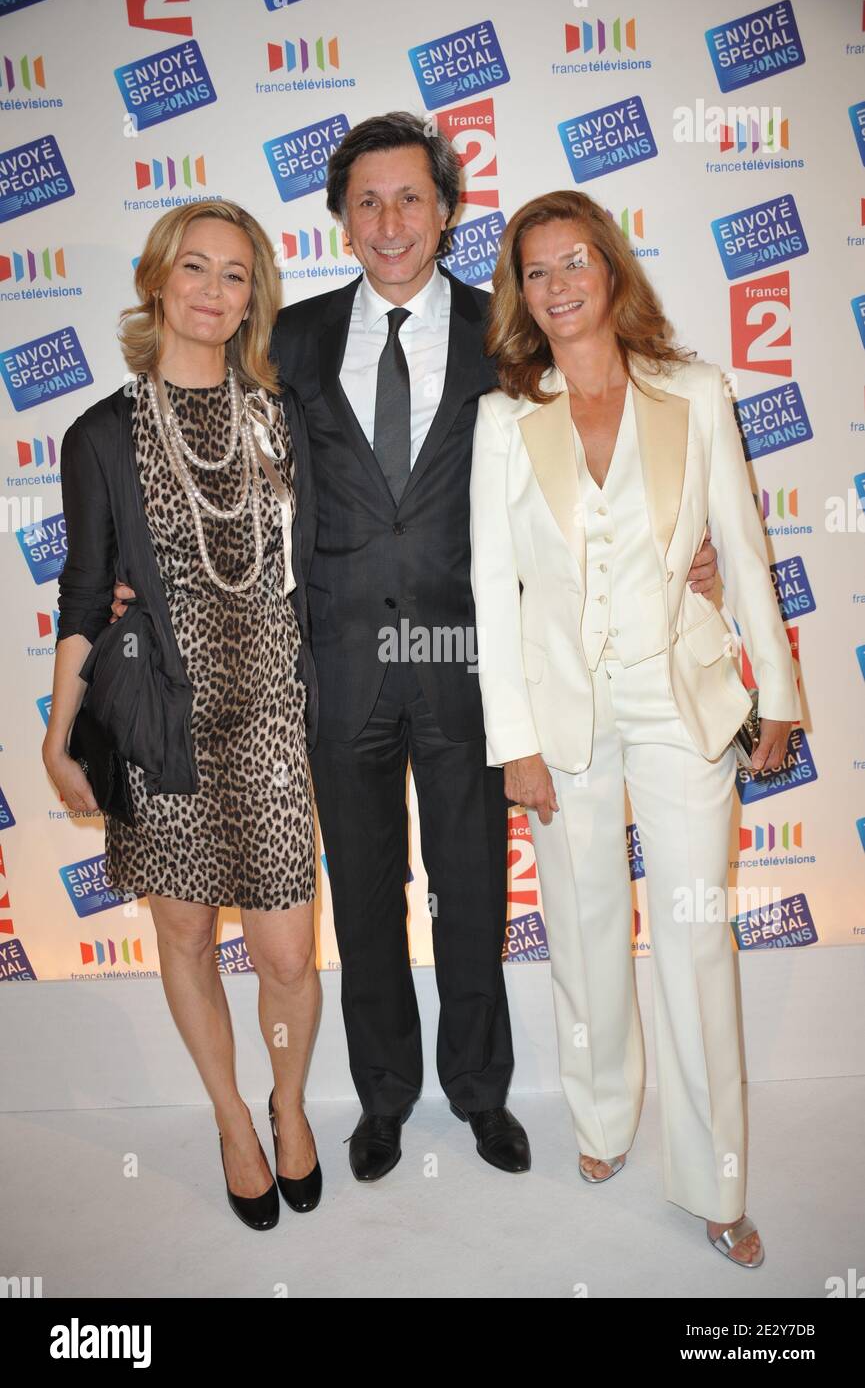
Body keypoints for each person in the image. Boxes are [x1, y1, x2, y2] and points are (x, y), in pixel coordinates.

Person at [114, 115, 717, 1184]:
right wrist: (136, 569)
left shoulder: (511, 331)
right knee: (365, 897)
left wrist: (682, 547)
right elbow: (212, 462)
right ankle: (384, 1098)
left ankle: (480, 1092)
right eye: (366, 202)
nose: (389, 221)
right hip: (332, 665)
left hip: (473, 662)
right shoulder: (288, 341)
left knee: (472, 883)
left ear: (446, 209)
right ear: (341, 220)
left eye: (409, 198)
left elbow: (608, 443)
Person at [469, 190, 800, 1266]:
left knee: (697, 941)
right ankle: (603, 1119)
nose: (558, 284)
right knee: (584, 927)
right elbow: (490, 590)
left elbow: (742, 552)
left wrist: (780, 696)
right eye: (535, 270)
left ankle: (716, 1181)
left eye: (575, 262)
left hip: (682, 700)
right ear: (520, 293)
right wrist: (513, 736)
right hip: (561, 715)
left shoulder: (696, 391)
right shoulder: (503, 418)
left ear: (611, 272)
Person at [43, 201, 321, 1232]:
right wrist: (56, 726)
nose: (213, 290)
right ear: (158, 280)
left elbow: (322, 566)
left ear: (254, 298)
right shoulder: (102, 434)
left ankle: (290, 1106)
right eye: (194, 268)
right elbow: (83, 592)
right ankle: (233, 1122)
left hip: (273, 727)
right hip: (163, 729)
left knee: (290, 956)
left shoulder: (279, 418)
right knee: (190, 936)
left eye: (235, 275)